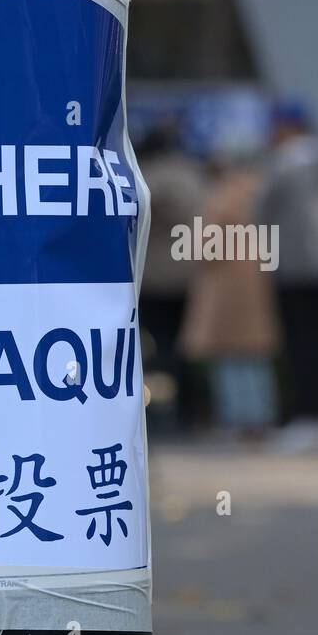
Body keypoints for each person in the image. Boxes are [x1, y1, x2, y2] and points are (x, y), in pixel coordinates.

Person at [257, 99, 318, 452]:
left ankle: (308, 418)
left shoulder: (286, 163)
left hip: (294, 264)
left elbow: (261, 207)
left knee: (300, 345)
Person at [179, 137, 280, 436]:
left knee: (228, 357)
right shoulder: (261, 189)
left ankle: (236, 419)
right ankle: (261, 417)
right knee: (254, 357)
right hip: (256, 279)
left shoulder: (222, 195)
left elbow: (203, 244)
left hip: (224, 285)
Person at [138, 121, 206, 431]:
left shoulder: (149, 178)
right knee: (184, 346)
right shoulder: (194, 175)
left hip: (157, 279)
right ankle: (191, 410)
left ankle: (165, 413)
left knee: (159, 348)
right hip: (189, 273)